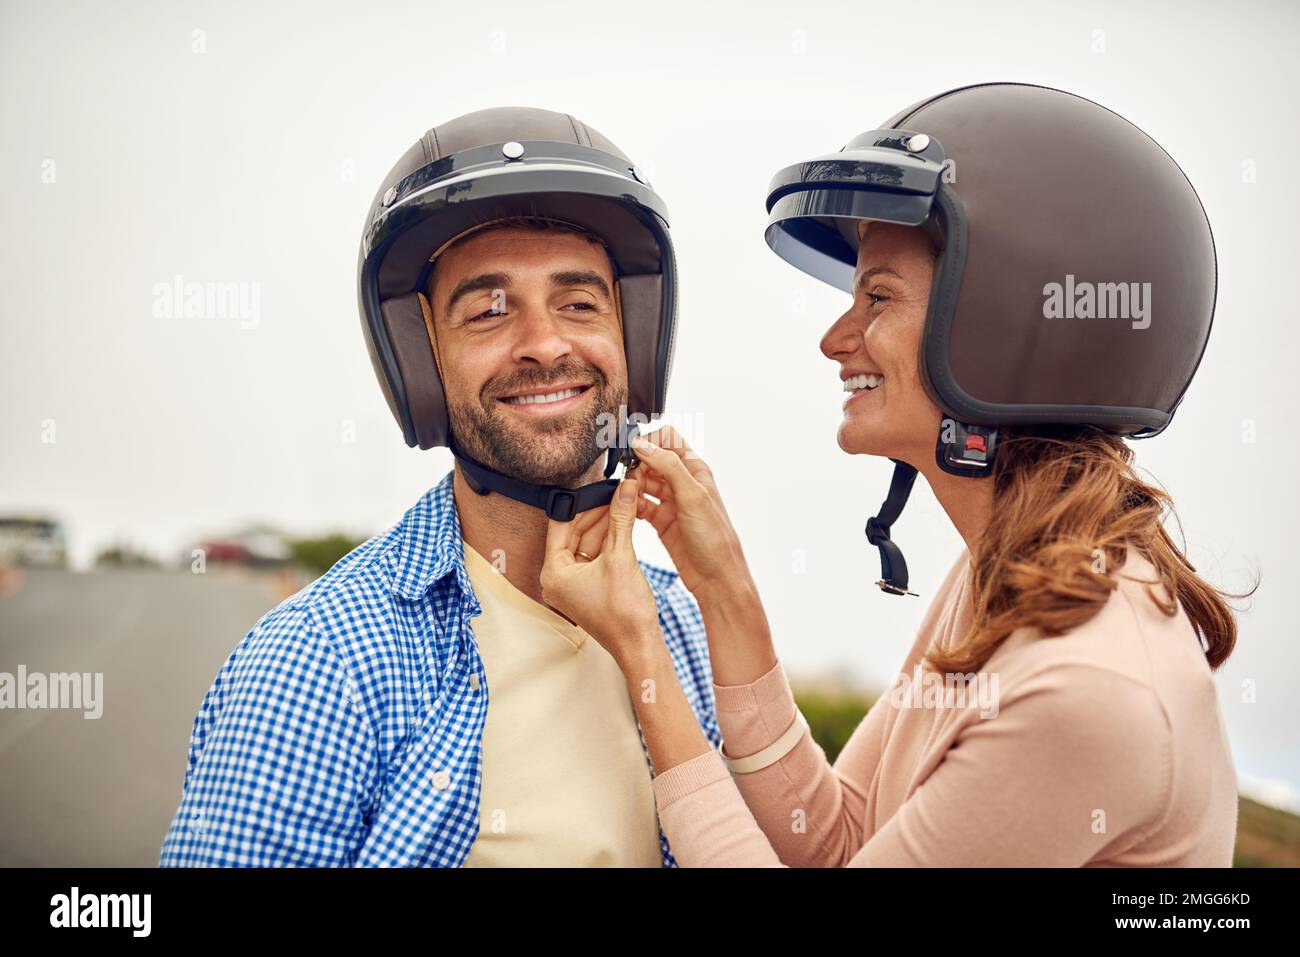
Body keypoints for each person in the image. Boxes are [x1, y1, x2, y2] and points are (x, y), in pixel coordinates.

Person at [538, 83, 1246, 866]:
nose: (835, 339)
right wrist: (722, 584)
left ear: (999, 327)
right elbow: (838, 837)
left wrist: (642, 654)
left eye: (877, 297)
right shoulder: (1019, 570)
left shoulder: (1081, 684)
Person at [159, 108, 718, 867]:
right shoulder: (319, 664)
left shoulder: (683, 628)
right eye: (488, 310)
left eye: (578, 303)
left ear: (634, 336)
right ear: (421, 365)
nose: (544, 344)